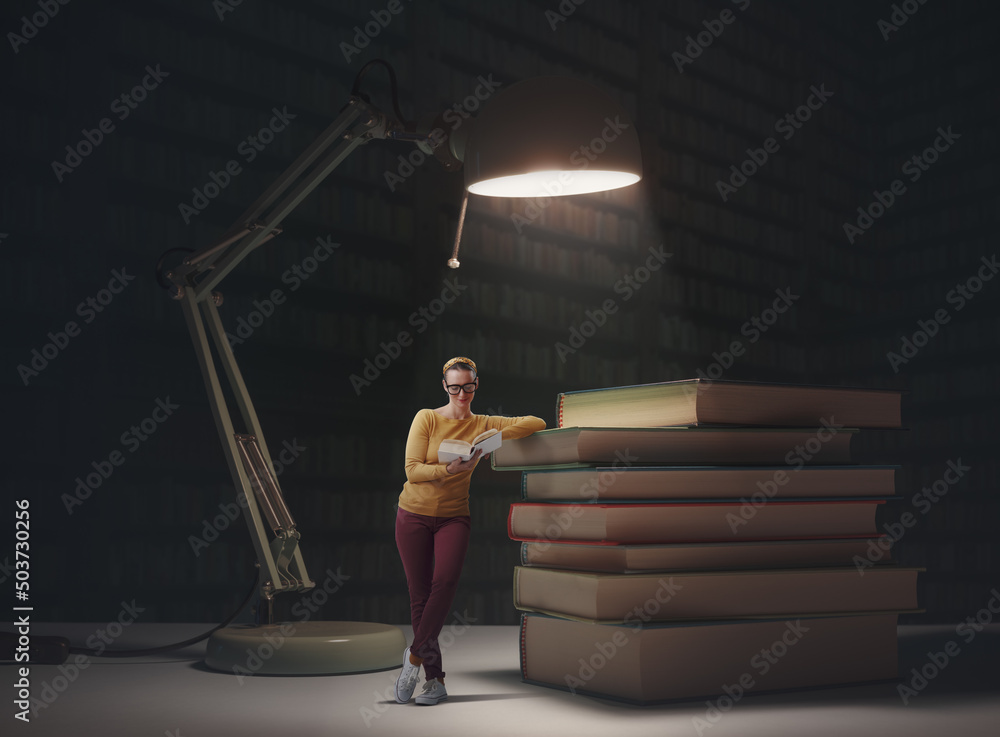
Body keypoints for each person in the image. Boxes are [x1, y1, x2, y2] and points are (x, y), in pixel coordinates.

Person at [393, 356, 545, 705]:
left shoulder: (483, 422)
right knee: (420, 595)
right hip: (412, 514)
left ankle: (413, 657)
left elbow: (536, 421)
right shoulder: (427, 418)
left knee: (445, 583)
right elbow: (412, 470)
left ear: (477, 384)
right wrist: (448, 470)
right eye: (455, 387)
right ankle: (435, 681)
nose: (462, 393)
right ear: (445, 387)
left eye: (469, 386)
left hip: (453, 516)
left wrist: (493, 438)